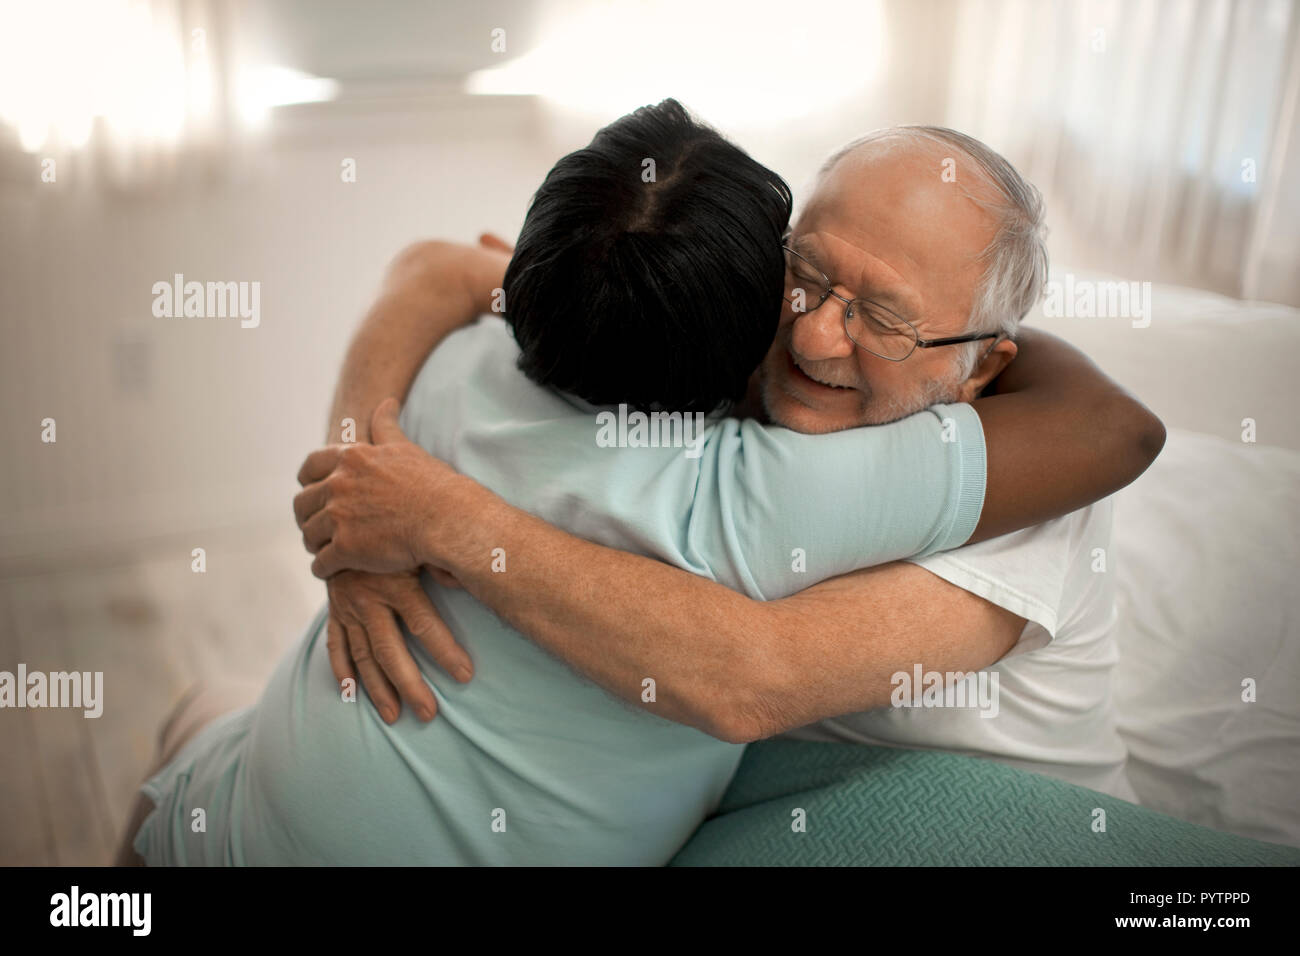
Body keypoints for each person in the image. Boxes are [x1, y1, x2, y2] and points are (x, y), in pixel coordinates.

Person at [119, 103, 1160, 865]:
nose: (808, 330)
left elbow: (748, 677)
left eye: (879, 316)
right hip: (730, 799)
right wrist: (357, 489)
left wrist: (423, 508)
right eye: (801, 272)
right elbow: (452, 272)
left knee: (204, 741)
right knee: (212, 719)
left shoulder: (1018, 495)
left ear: (984, 368)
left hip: (947, 819)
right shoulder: (711, 372)